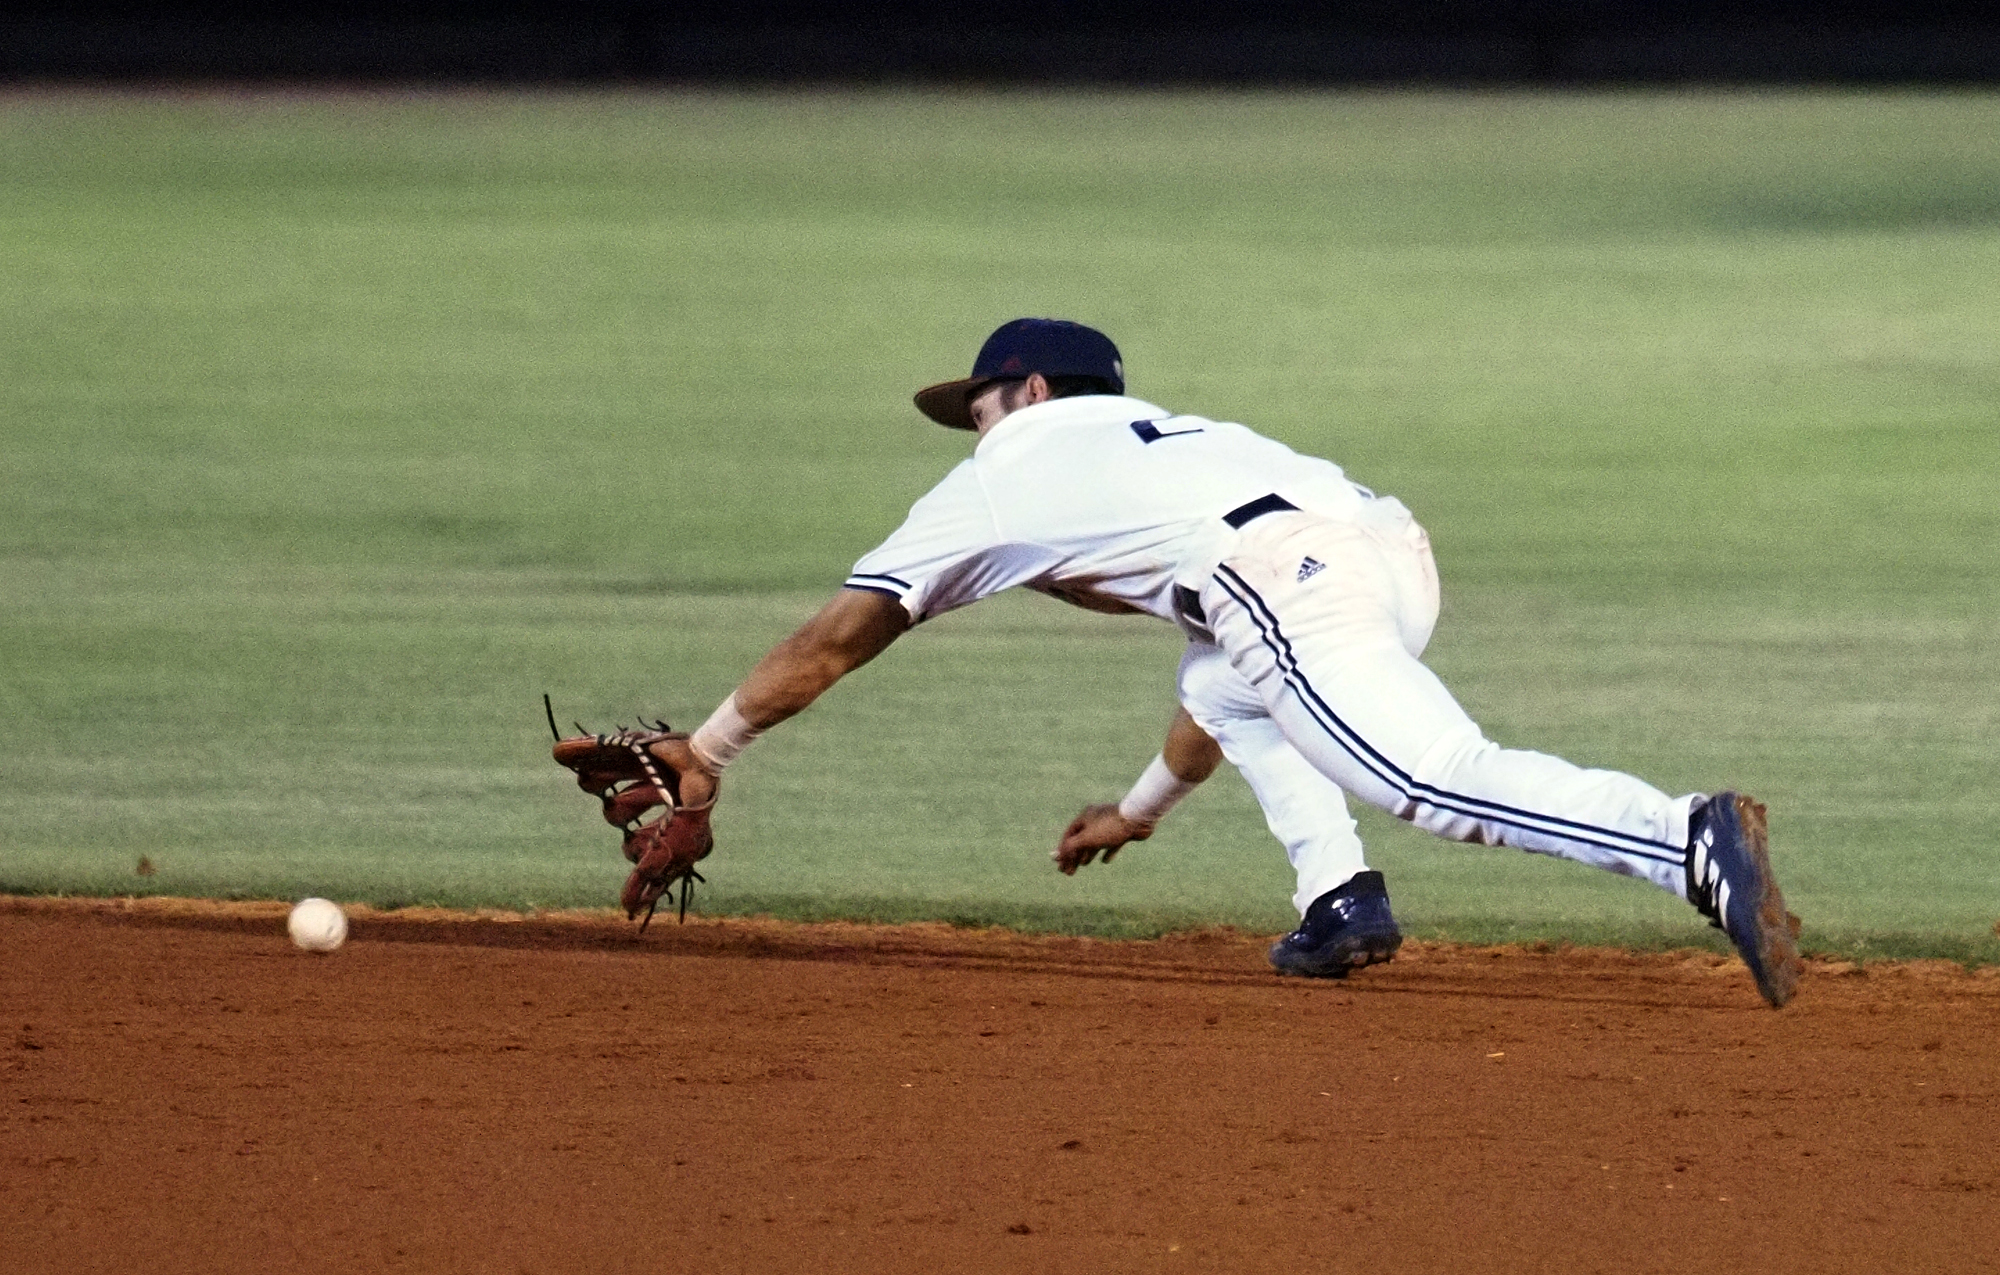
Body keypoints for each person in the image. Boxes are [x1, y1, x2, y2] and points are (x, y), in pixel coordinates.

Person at [648, 318, 1802, 1007]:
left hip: (1284, 577)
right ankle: (1335, 901)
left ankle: (1679, 840)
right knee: (1230, 683)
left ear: (1031, 392)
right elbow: (1233, 685)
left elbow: (833, 640)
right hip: (1380, 553)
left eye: (979, 405)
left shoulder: (1007, 470)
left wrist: (709, 748)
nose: (974, 426)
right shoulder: (1169, 439)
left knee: (1425, 778)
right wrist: (1137, 812)